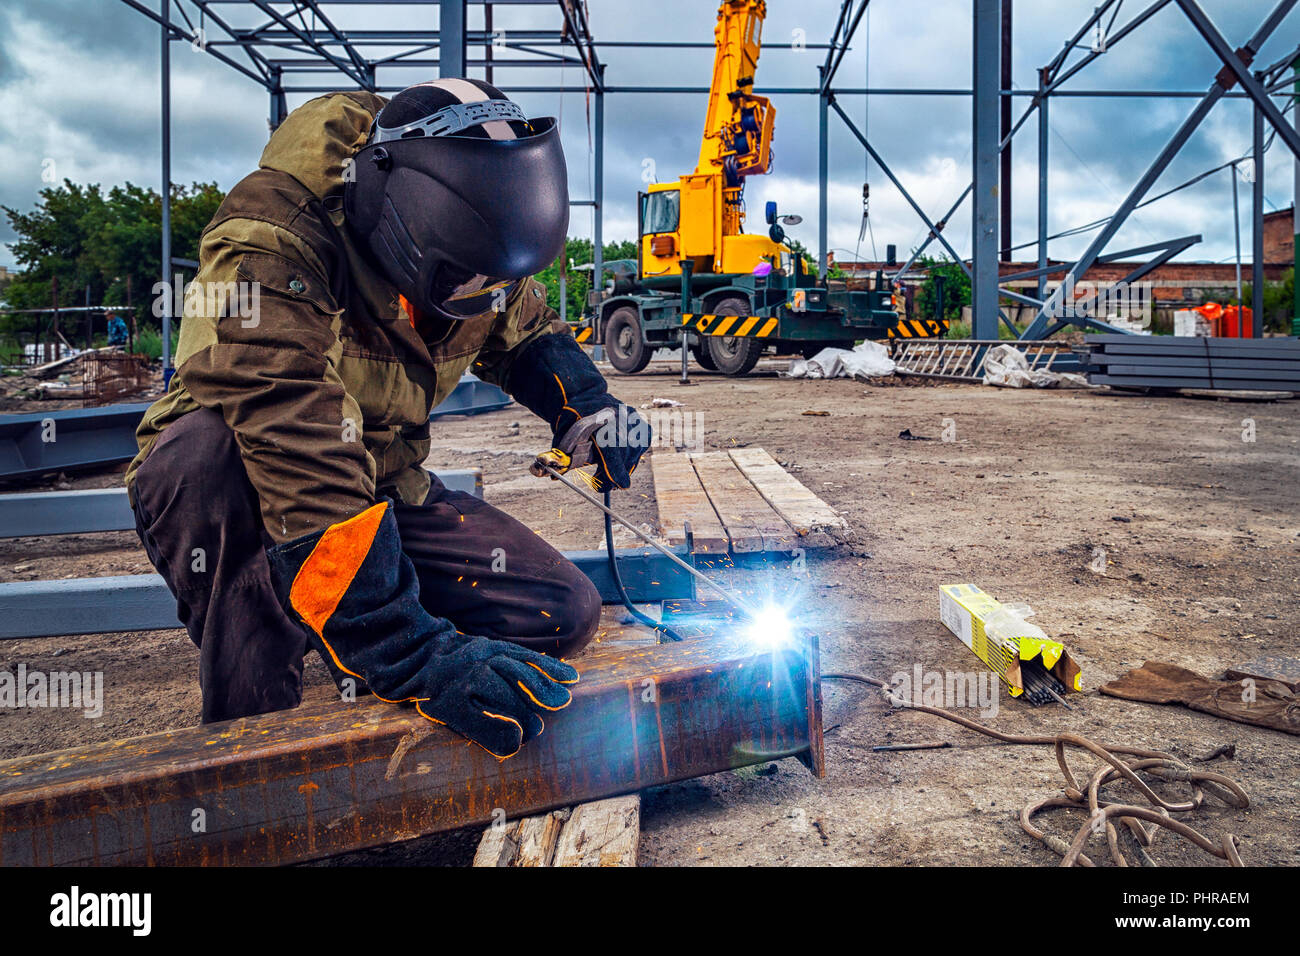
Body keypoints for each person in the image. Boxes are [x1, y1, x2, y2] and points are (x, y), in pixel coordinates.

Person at [125, 79, 649, 759]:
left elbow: (523, 329)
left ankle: (348, 628)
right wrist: (403, 645)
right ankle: (255, 738)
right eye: (458, 280)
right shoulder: (274, 234)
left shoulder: (471, 229)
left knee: (562, 613)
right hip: (250, 476)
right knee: (204, 459)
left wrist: (586, 405)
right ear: (393, 211)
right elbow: (294, 435)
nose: (471, 297)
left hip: (380, 477)